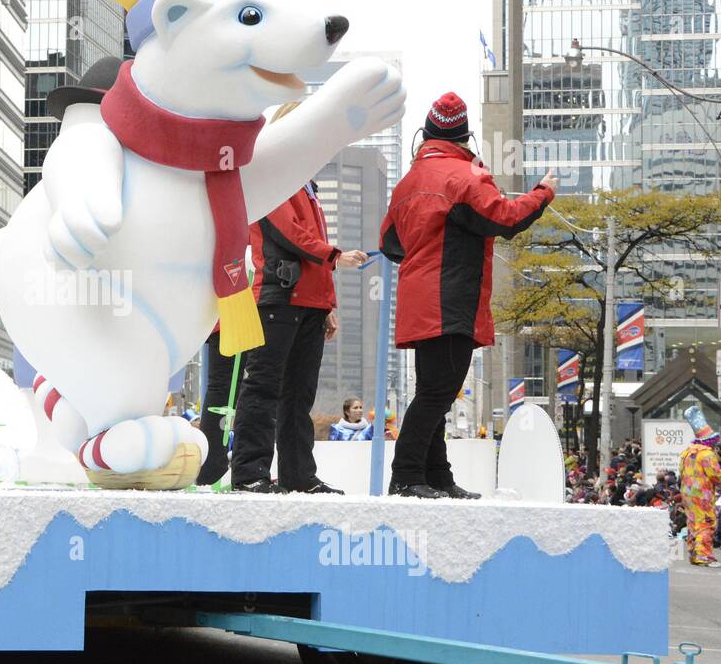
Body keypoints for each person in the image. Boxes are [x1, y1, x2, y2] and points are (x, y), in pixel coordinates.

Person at [380, 92, 556, 499]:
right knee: (437, 394)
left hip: (419, 300)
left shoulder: (407, 183)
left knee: (433, 391)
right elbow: (506, 219)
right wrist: (543, 193)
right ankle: (406, 476)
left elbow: (390, 243)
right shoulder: (465, 178)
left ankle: (437, 476)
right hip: (450, 299)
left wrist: (428, 250)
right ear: (464, 137)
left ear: (426, 135)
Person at [231, 101, 369, 494]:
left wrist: (328, 304)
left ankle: (297, 475)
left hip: (306, 301)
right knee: (263, 387)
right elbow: (288, 233)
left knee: (298, 396)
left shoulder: (305, 184)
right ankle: (249, 473)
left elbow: (309, 241)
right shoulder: (269, 173)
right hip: (278, 297)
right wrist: (334, 257)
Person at [677, 405, 721, 566]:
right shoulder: (707, 455)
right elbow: (717, 477)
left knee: (692, 522)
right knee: (706, 522)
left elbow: (680, 473)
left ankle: (693, 553)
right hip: (702, 495)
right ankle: (703, 555)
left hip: (687, 494)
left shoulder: (687, 452)